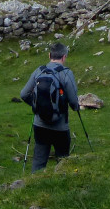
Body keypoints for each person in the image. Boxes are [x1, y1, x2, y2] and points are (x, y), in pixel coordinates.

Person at [19, 41, 80, 171]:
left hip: (40, 124)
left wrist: (37, 105)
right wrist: (76, 108)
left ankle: (33, 184)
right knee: (63, 159)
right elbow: (74, 101)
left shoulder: (39, 71)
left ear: (49, 55)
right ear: (64, 57)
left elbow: (24, 94)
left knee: (39, 159)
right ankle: (62, 182)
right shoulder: (66, 73)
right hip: (60, 126)